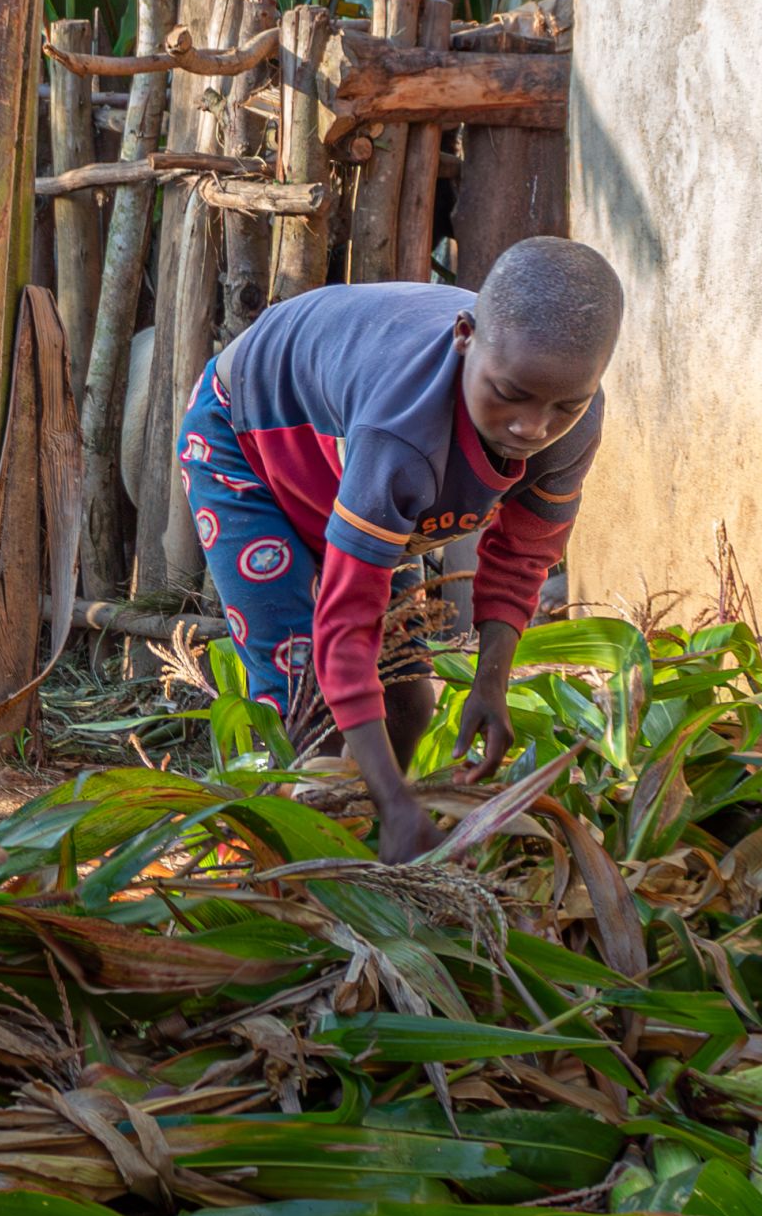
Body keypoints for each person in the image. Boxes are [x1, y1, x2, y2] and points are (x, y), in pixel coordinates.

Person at [175, 236, 621, 864]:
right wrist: (396, 804)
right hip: (248, 446)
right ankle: (265, 876)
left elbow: (523, 554)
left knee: (407, 700)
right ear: (465, 336)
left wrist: (489, 684)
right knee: (307, 703)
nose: (532, 427)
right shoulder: (404, 432)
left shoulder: (569, 424)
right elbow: (345, 625)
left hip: (355, 476)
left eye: (564, 406)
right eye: (511, 393)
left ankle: (366, 860)